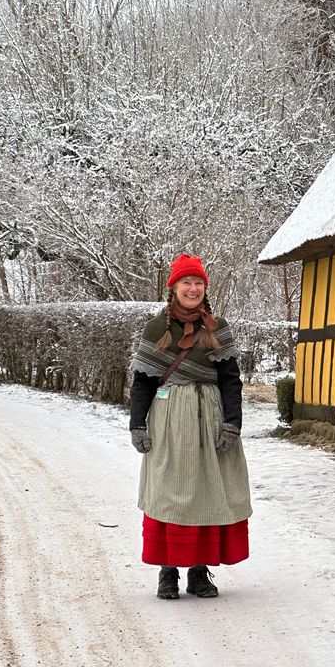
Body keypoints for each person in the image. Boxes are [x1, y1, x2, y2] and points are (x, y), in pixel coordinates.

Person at [129, 253, 251, 600]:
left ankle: (199, 571)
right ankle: (168, 573)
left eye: (198, 283)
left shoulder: (218, 329)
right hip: (170, 419)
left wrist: (232, 425)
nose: (193, 288)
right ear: (174, 288)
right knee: (171, 490)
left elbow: (231, 381)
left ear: (204, 288)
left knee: (209, 489)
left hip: (210, 417)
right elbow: (142, 383)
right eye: (186, 283)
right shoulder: (157, 329)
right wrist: (138, 424)